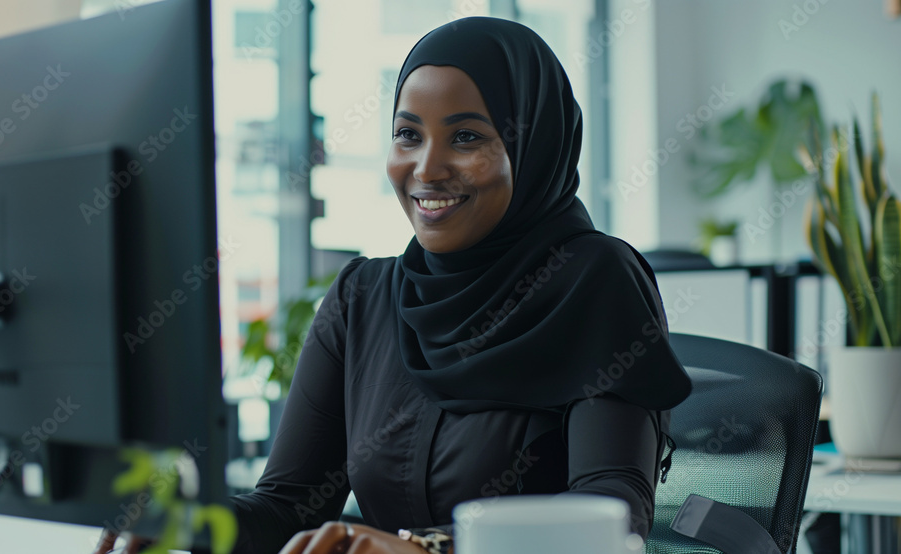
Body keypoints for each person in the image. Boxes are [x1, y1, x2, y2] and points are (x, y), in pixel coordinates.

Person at [97, 16, 691, 554]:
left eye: (466, 137)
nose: (426, 169)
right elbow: (287, 506)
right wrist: (186, 524)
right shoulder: (363, 299)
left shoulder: (596, 281)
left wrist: (428, 549)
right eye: (408, 134)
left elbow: (613, 516)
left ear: (533, 148)